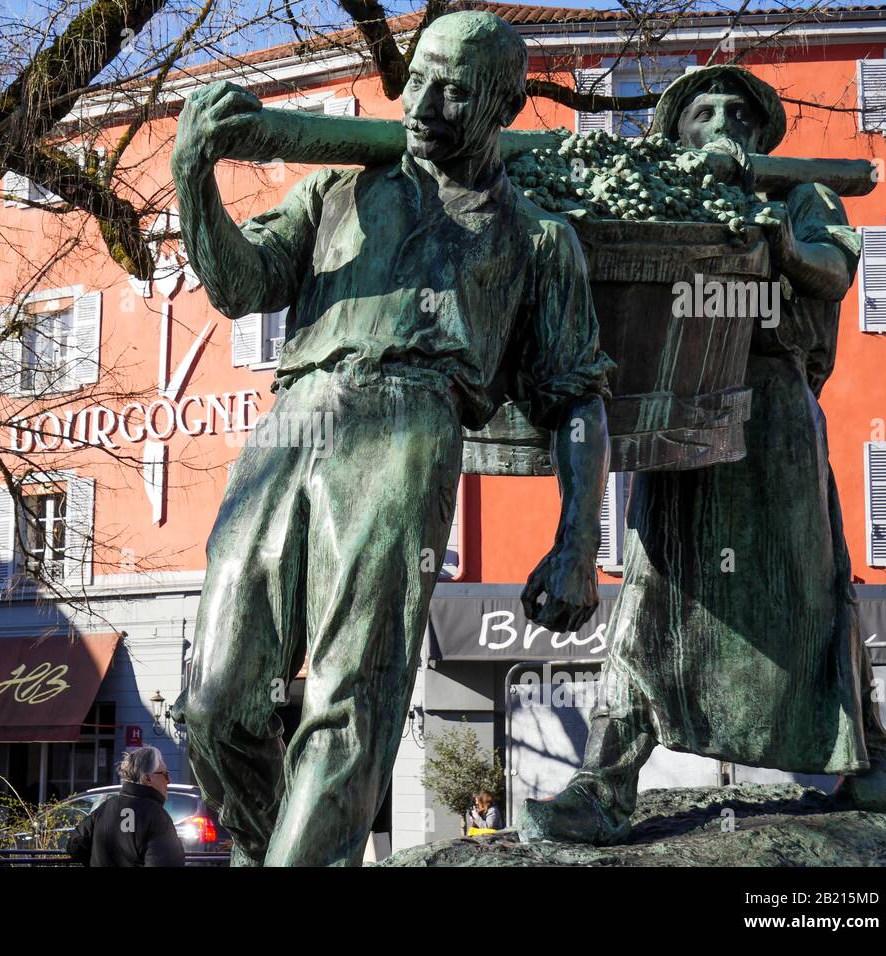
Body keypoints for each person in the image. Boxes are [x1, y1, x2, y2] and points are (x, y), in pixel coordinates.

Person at [171, 10, 614, 866]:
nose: (424, 102)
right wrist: (195, 178)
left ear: (505, 106)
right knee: (214, 704)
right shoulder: (339, 192)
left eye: (454, 87)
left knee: (352, 698)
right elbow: (239, 285)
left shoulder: (534, 239)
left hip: (411, 424)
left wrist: (578, 541)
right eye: (418, 78)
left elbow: (577, 399)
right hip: (291, 418)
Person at [520, 65, 886, 846]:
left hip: (771, 405)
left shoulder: (798, 192)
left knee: (811, 587)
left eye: (737, 109)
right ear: (679, 131)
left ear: (760, 131)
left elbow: (834, 270)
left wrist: (779, 244)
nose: (723, 119)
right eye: (703, 110)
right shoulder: (666, 191)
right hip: (682, 398)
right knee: (653, 584)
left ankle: (873, 756)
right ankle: (606, 780)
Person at [65, 746, 185, 867]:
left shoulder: (105, 808)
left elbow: (74, 846)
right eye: (165, 774)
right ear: (147, 778)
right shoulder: (157, 817)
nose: (169, 780)